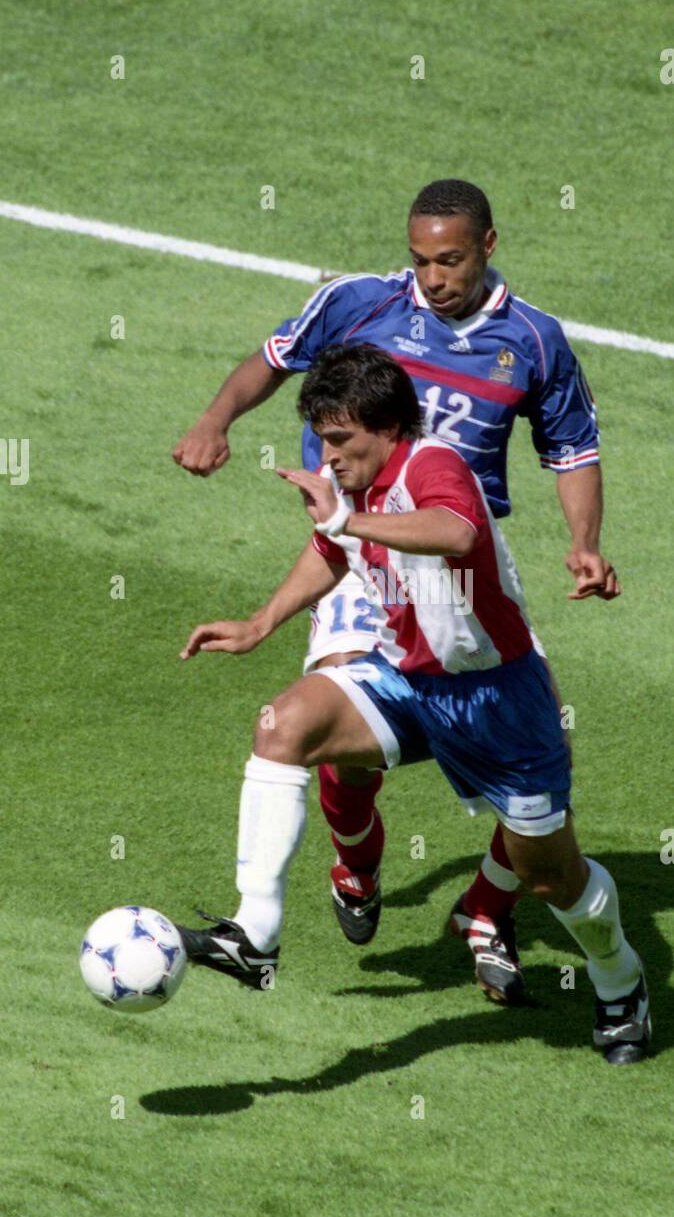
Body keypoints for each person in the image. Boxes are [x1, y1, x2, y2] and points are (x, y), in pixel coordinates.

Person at [172, 179, 620, 1006]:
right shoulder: (356, 303)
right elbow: (272, 360)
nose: (432, 276)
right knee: (310, 721)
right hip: (356, 549)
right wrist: (215, 421)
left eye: (449, 260)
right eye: (420, 259)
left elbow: (570, 449)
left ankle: (488, 910)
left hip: (456, 561)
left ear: (489, 245)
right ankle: (341, 872)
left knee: (523, 743)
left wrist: (584, 546)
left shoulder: (533, 342)